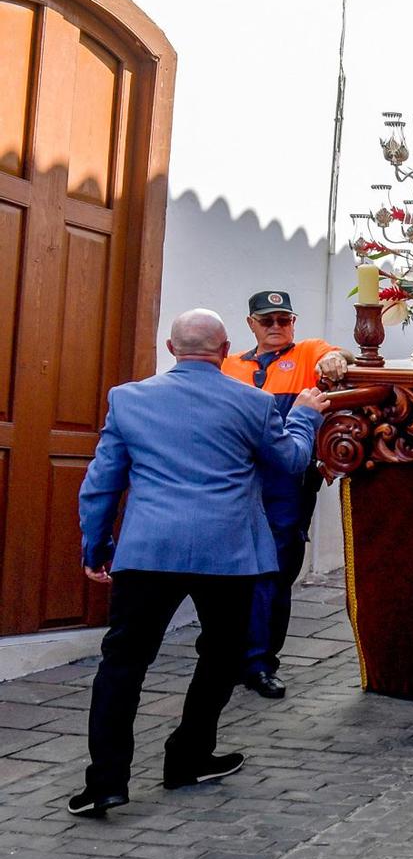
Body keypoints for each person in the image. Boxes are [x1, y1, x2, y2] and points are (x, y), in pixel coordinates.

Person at [68, 310, 328, 816]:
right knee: (223, 657)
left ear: (171, 348)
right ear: (226, 347)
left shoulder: (128, 399)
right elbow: (293, 461)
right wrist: (304, 415)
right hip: (228, 552)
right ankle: (188, 756)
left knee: (123, 664)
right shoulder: (252, 403)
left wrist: (95, 546)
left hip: (148, 551)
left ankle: (105, 782)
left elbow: (101, 483)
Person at [222, 290, 348, 700]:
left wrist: (335, 360)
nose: (276, 327)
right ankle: (232, 655)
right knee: (231, 572)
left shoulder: (309, 352)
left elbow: (338, 356)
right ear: (251, 324)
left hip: (285, 482)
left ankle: (260, 662)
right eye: (267, 320)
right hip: (236, 477)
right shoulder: (229, 365)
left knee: (274, 572)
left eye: (284, 319)